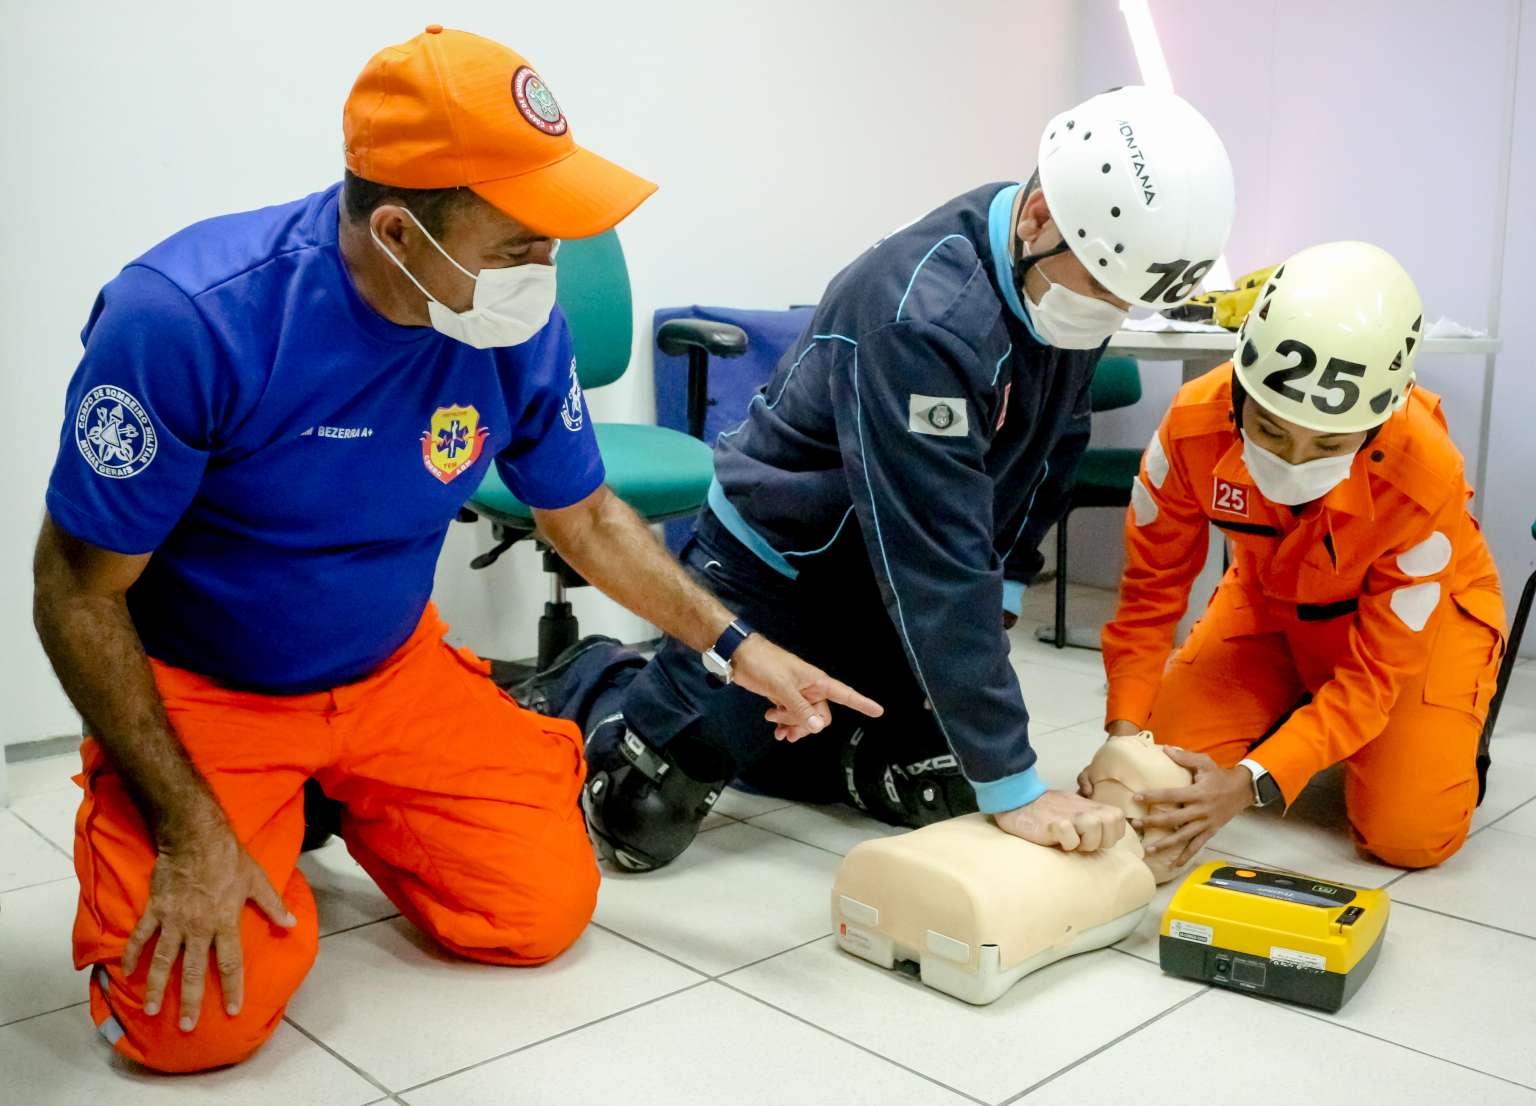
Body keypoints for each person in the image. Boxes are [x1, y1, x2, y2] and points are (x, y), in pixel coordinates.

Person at [32, 26, 878, 1074]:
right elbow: (72, 593)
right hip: (209, 687)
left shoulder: (510, 321)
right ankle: (251, 802)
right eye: (522, 243)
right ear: (396, 229)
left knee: (540, 909)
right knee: (187, 1027)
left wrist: (734, 642)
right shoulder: (190, 321)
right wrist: (190, 830)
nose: (548, 269)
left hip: (389, 665)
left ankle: (337, 787)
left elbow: (587, 514)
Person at [538, 86, 1236, 872]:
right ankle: (600, 676)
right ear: (1038, 215)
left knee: (932, 785)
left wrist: (1008, 584)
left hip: (881, 569)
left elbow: (1053, 445)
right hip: (781, 565)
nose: (1107, 314)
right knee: (642, 822)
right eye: (1103, 292)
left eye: (1127, 302)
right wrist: (1015, 783)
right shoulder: (925, 315)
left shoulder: (1060, 278)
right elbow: (935, 559)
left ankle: (776, 739)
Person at [1094, 241, 1505, 871]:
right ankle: (1298, 716)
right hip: (1267, 601)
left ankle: (1405, 737)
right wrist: (1124, 734)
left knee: (1409, 837)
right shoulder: (1190, 426)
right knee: (1161, 776)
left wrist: (1254, 778)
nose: (1293, 461)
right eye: (1271, 429)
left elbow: (1375, 675)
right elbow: (1150, 595)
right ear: (1240, 389)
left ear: (1378, 423)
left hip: (1418, 630)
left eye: (1329, 444)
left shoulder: (1425, 475)